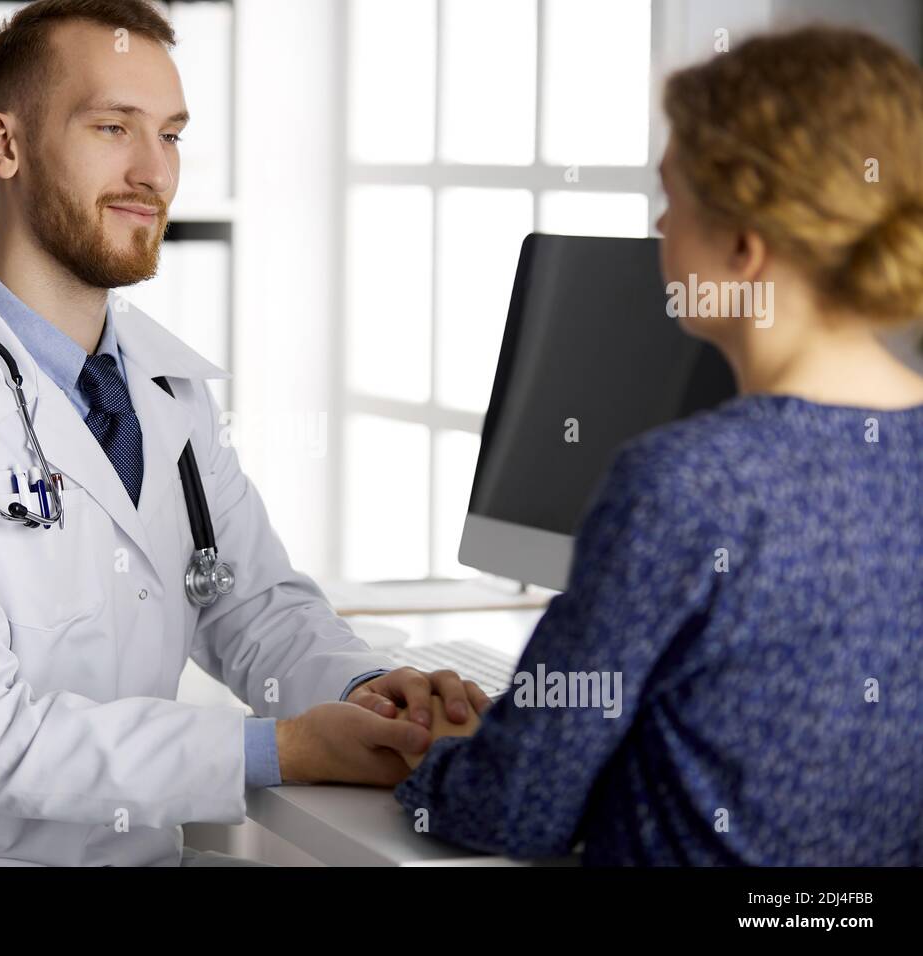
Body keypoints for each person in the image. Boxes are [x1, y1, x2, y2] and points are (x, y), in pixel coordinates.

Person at [0, 0, 487, 868]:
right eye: (113, 127)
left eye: (170, 135)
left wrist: (367, 691)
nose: (153, 172)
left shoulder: (167, 392)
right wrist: (281, 751)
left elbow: (252, 606)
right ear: (3, 146)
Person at [394, 25, 923, 865]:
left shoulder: (686, 484)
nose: (661, 228)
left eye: (671, 200)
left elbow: (513, 809)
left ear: (744, 250)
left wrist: (438, 763)